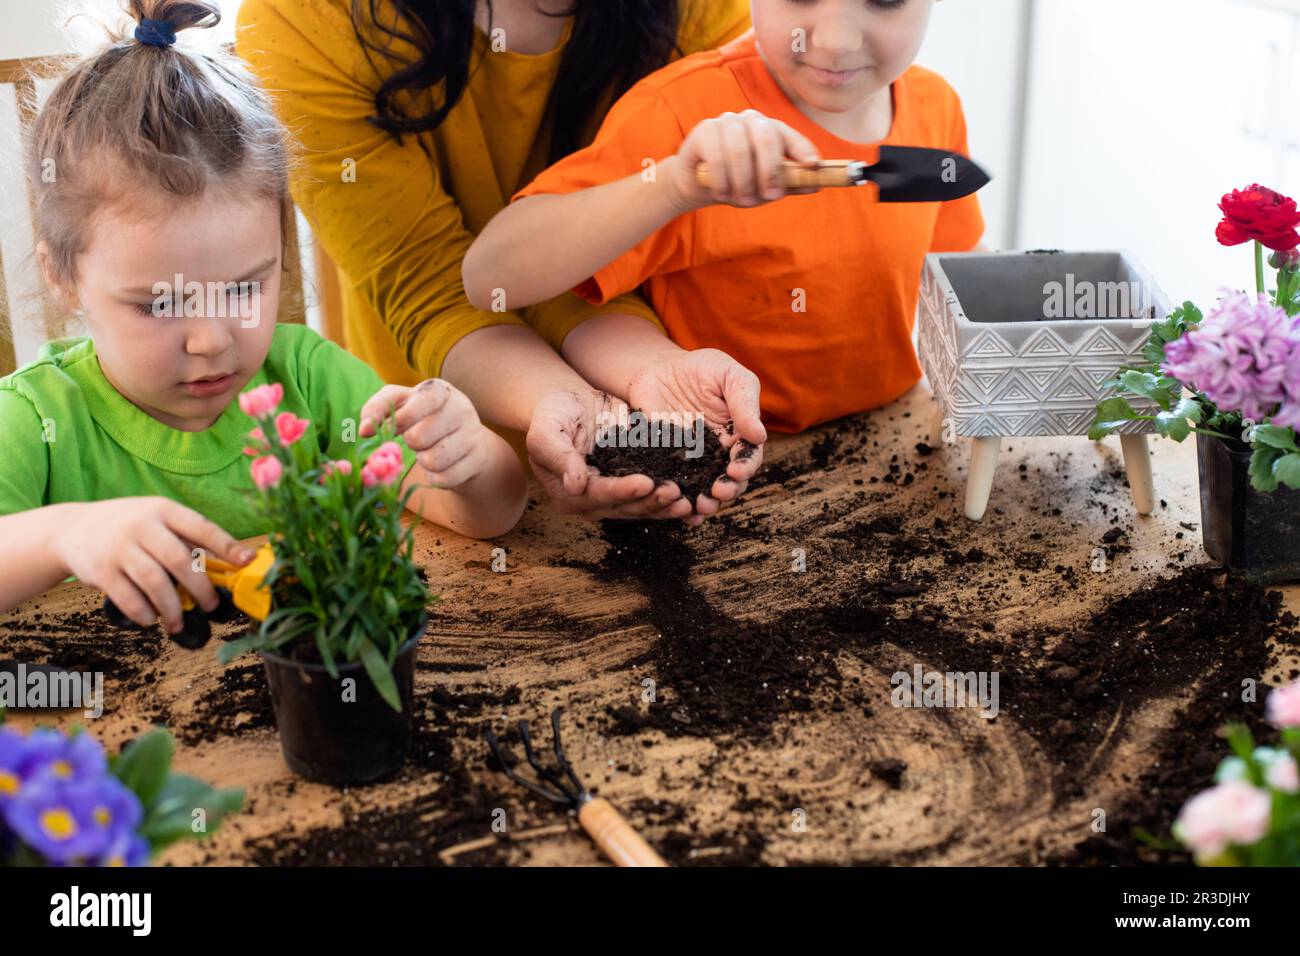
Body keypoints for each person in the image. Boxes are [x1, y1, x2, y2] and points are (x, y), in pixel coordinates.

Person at [0, 0, 527, 635]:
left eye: (246, 287)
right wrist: (64, 534)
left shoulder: (307, 379)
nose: (212, 339)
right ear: (61, 275)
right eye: (161, 302)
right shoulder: (35, 421)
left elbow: (488, 516)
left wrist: (467, 461)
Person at [236, 0, 767, 522]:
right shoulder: (304, 19)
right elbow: (429, 282)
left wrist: (652, 372)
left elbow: (600, 263)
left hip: (635, 362)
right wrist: (555, 398)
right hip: (434, 466)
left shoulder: (707, 14)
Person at [464, 0, 984, 434]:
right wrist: (674, 186)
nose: (833, 40)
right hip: (720, 456)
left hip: (886, 436)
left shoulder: (936, 108)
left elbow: (960, 271)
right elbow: (490, 276)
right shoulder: (683, 114)